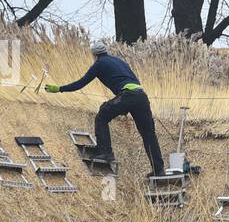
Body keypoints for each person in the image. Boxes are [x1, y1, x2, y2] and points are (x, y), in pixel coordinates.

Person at [46, 40, 166, 177]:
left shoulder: (99, 64)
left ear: (94, 54)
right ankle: (159, 169)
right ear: (105, 51)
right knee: (148, 134)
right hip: (141, 96)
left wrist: (60, 89)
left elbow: (81, 83)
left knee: (102, 116)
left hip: (128, 95)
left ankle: (105, 152)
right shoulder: (119, 61)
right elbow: (133, 80)